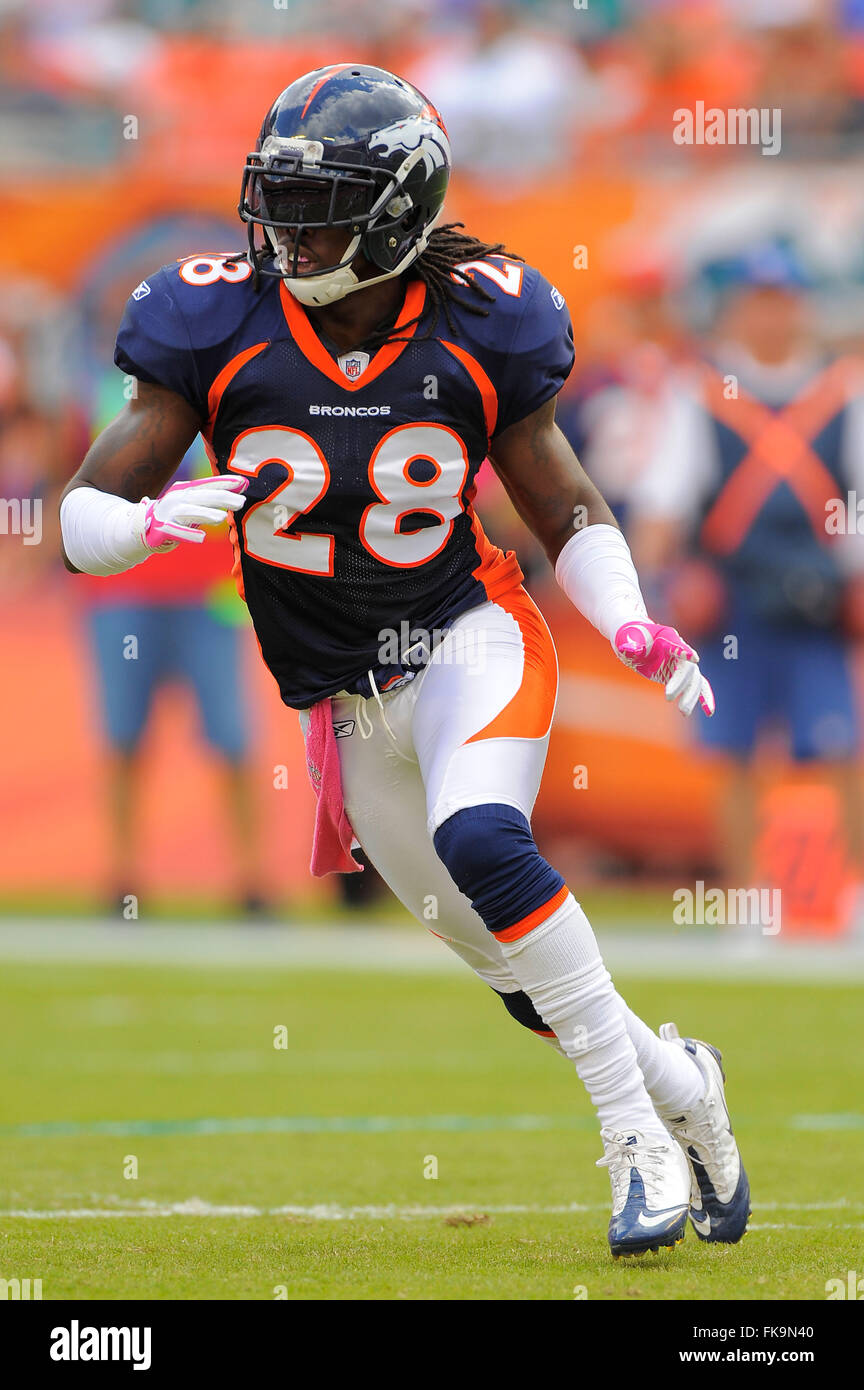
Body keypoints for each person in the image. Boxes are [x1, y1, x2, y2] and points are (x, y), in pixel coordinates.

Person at [58, 63, 747, 1258]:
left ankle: (639, 1137)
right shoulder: (214, 317)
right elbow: (77, 518)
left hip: (469, 631)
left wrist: (628, 616)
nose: (286, 227)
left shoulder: (490, 318)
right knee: (515, 969)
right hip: (342, 696)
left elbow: (566, 501)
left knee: (489, 842)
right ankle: (686, 1081)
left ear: (394, 213)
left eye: (318, 202)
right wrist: (146, 522)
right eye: (278, 197)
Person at [629, 244, 864, 898]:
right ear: (735, 311)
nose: (770, 317)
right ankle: (747, 899)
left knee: (840, 749)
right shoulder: (701, 390)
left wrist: (854, 579)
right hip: (735, 597)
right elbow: (666, 496)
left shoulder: (842, 389)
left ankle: (851, 899)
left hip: (818, 594)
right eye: (758, 303)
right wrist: (651, 586)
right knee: (731, 752)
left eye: (782, 302)